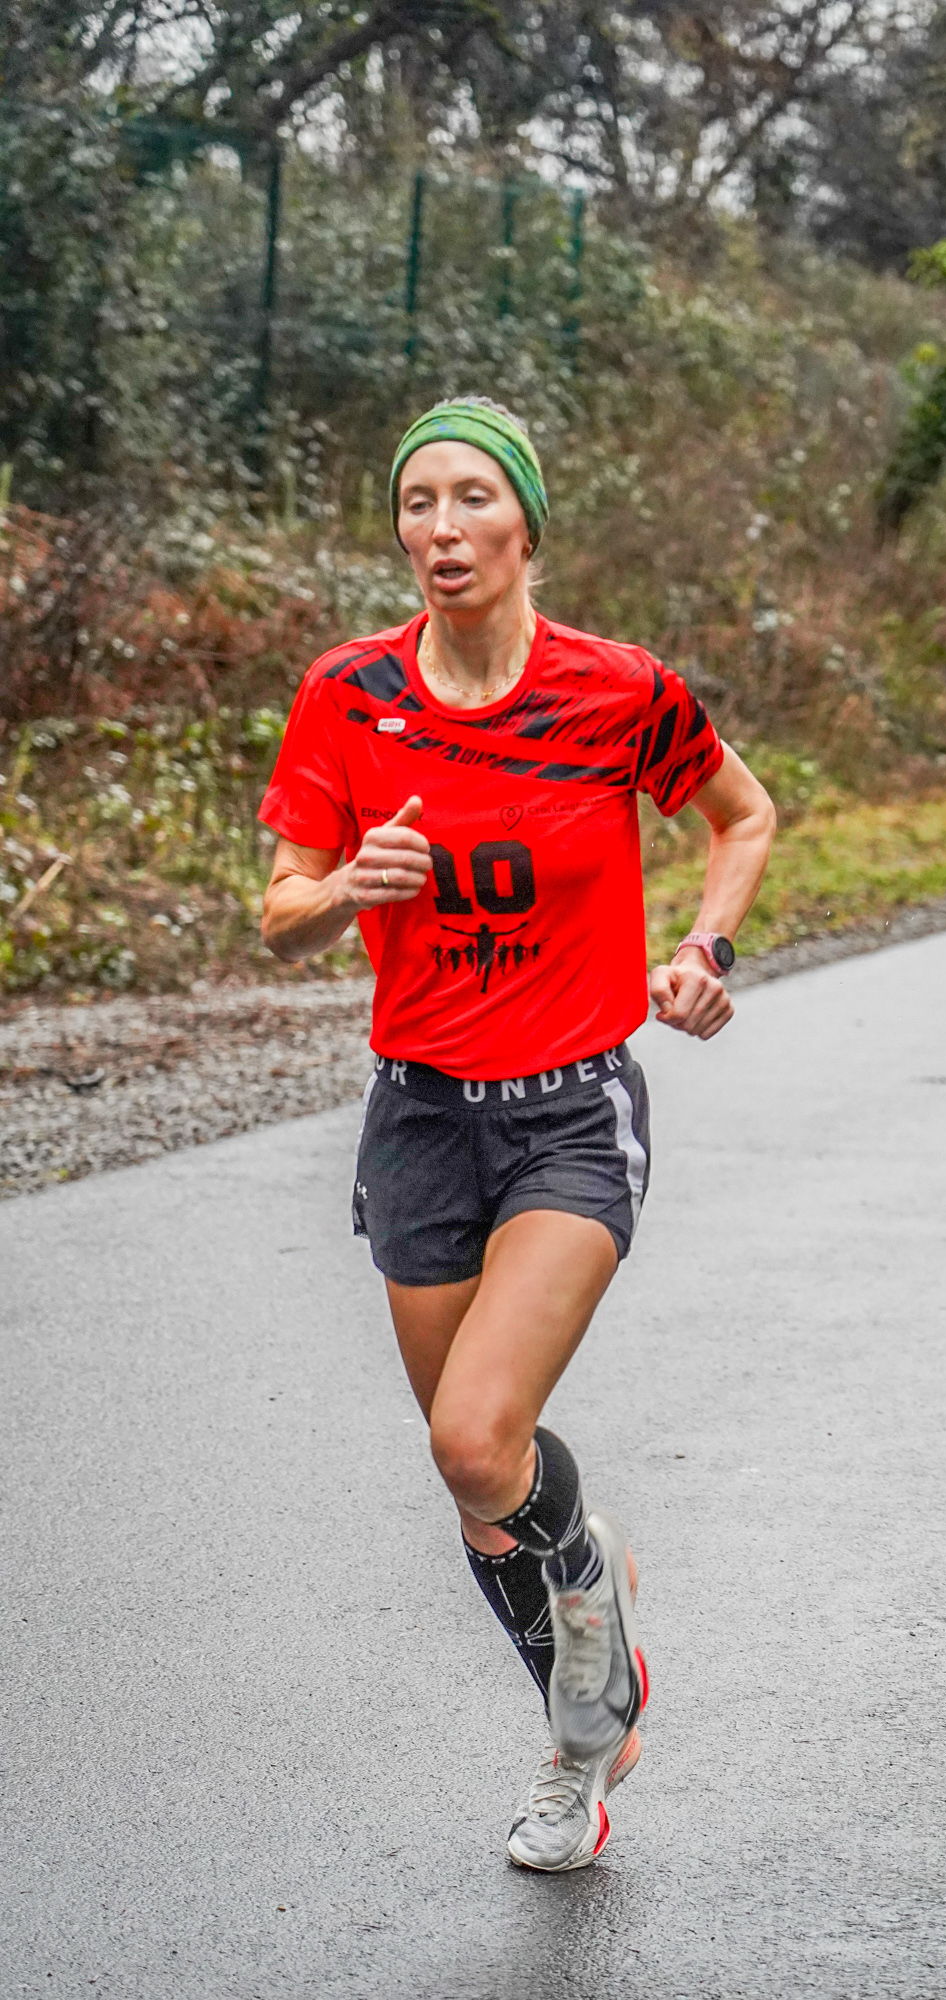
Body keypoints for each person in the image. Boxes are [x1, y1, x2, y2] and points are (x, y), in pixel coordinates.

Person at [258, 398, 779, 1867]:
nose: (439, 530)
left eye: (471, 499)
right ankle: (582, 1716)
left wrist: (704, 954)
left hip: (568, 1110)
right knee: (473, 1477)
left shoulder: (616, 692)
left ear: (526, 526)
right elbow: (278, 914)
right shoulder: (346, 696)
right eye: (416, 503)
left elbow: (743, 817)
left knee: (480, 1437)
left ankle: (571, 1716)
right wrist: (351, 885)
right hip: (417, 1116)